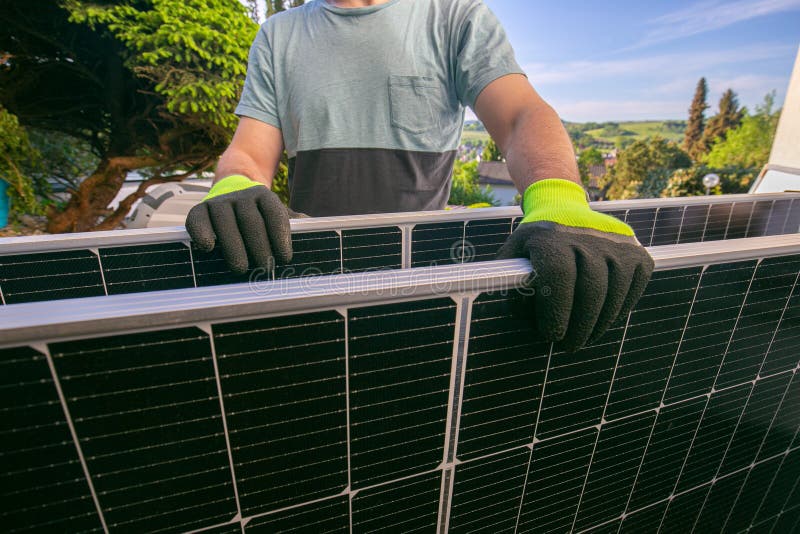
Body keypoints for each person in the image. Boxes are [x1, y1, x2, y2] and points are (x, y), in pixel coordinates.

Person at [186, 0, 654, 350]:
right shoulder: (277, 35)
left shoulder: (454, 16)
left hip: (425, 283)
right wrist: (235, 185)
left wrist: (559, 198)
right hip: (313, 277)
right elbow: (249, 151)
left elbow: (520, 115)